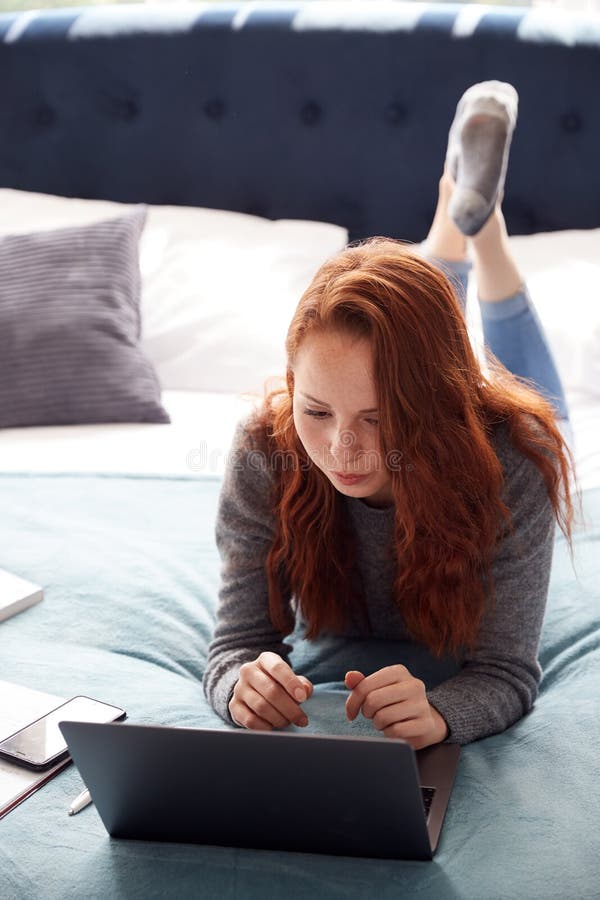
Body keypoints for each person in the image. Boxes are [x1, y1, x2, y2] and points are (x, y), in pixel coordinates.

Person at [203, 81, 577, 748]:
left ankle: (482, 233)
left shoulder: (517, 457)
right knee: (408, 327)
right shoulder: (266, 447)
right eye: (317, 410)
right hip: (428, 369)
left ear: (436, 407)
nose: (342, 448)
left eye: (378, 419)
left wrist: (441, 714)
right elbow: (235, 645)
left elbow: (507, 670)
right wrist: (240, 685)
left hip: (491, 420)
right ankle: (456, 218)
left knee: (539, 400)